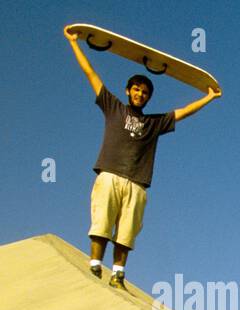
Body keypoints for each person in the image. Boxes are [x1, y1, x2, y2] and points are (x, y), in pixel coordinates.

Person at [64, 26, 220, 288]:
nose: (140, 94)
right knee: (101, 223)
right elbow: (90, 73)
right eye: (136, 89)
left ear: (148, 97)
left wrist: (209, 98)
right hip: (110, 174)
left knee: (126, 232)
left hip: (137, 182)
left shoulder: (154, 123)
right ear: (128, 91)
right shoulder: (113, 108)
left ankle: (118, 274)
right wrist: (74, 43)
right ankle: (93, 267)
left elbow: (183, 112)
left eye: (145, 92)